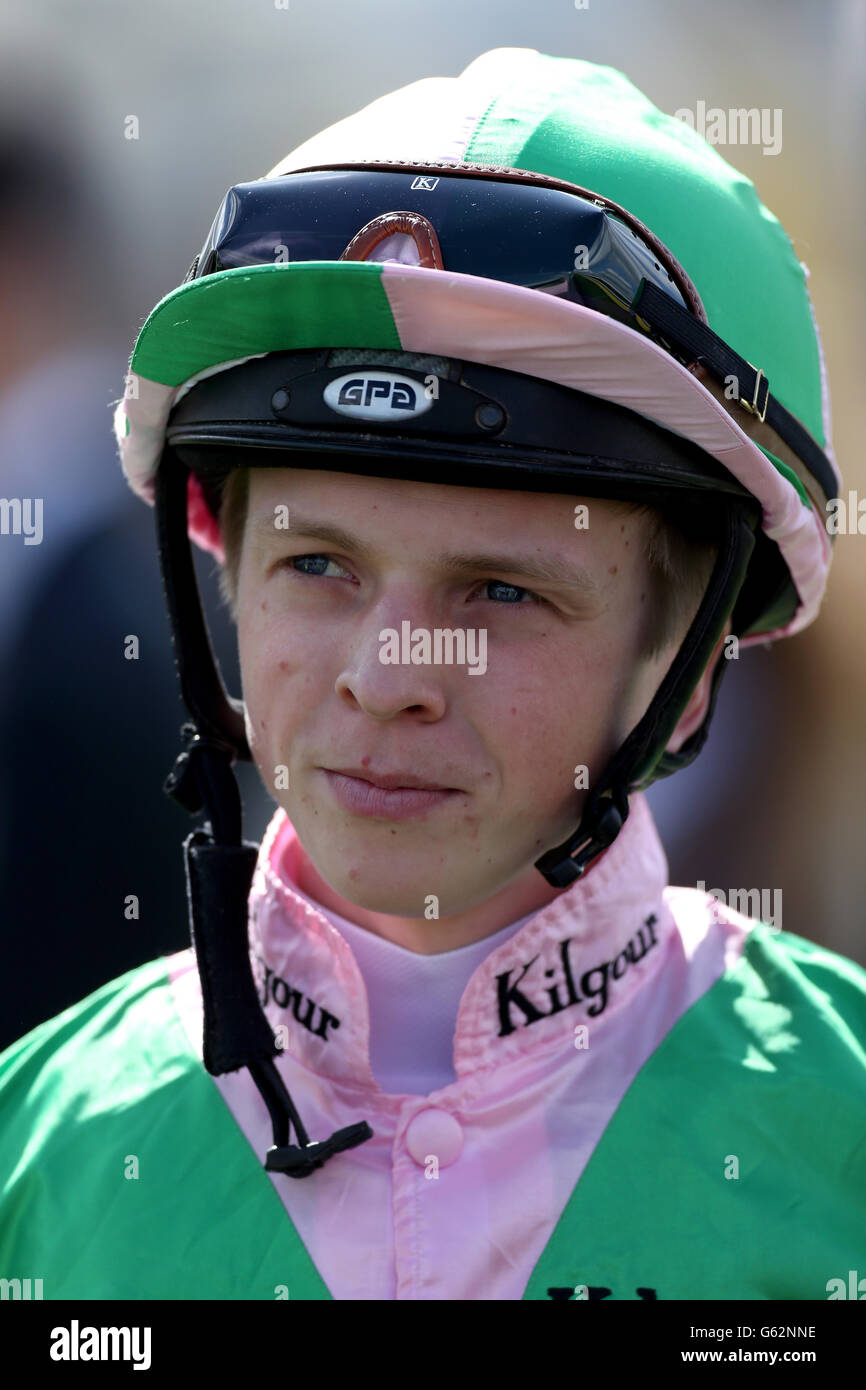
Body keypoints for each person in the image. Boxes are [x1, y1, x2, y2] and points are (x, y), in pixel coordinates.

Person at [1, 46, 863, 1303]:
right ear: (223, 573)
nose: (385, 676)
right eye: (318, 566)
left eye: (502, 591)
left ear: (684, 670)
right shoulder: (34, 1158)